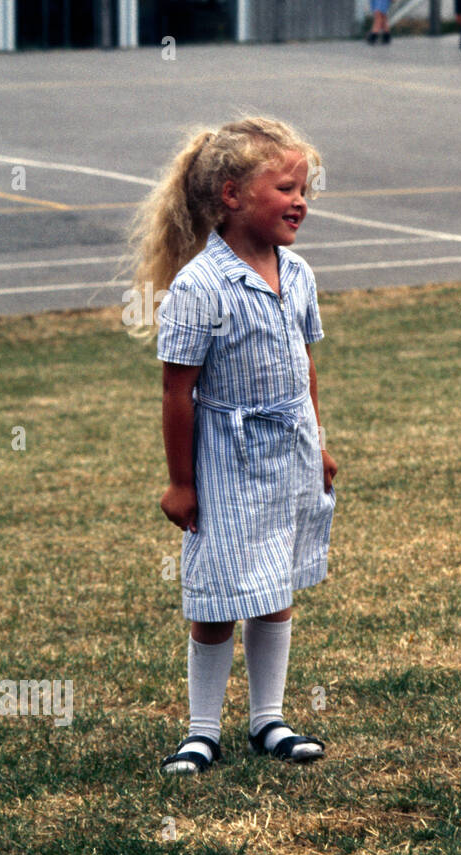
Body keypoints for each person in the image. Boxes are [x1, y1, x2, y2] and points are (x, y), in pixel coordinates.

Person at [128, 117, 336, 774]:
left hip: (290, 452)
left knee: (274, 587)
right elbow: (176, 391)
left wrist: (320, 442)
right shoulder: (199, 286)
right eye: (285, 187)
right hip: (226, 459)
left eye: (304, 188)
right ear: (232, 194)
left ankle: (268, 720)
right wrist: (182, 482)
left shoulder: (297, 272)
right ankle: (200, 731)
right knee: (217, 598)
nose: (300, 200)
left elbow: (305, 366)